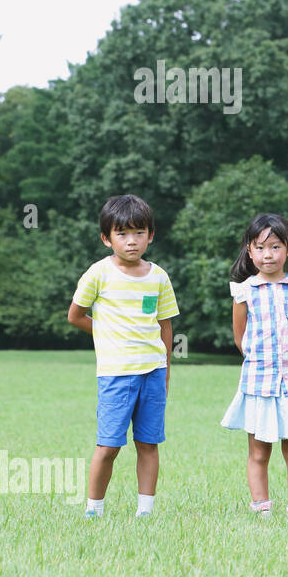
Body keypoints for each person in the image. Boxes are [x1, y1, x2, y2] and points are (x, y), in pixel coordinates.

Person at [68, 194, 179, 518]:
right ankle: (94, 509)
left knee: (148, 444)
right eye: (122, 233)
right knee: (109, 446)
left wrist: (167, 370)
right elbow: (75, 315)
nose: (132, 241)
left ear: (151, 235)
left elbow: (165, 325)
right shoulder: (98, 274)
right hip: (116, 374)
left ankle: (145, 511)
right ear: (107, 238)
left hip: (153, 372)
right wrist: (107, 332)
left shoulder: (158, 276)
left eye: (139, 233)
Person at [219, 213, 288, 516]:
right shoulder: (244, 291)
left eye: (275, 247)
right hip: (259, 382)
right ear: (249, 250)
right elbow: (240, 336)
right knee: (258, 451)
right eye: (260, 247)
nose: (268, 255)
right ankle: (261, 508)